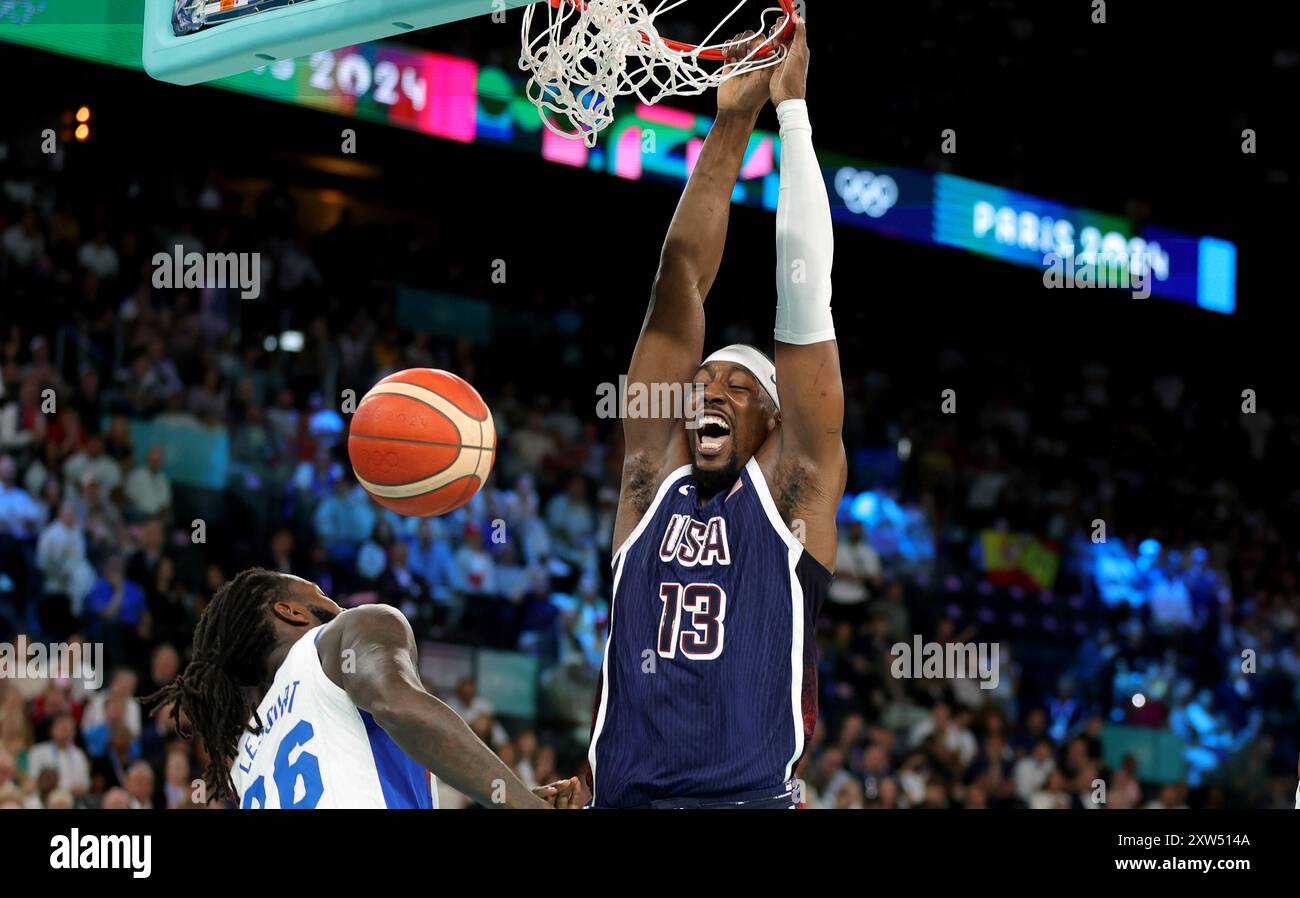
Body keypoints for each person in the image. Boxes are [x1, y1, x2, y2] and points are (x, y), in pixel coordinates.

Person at [583, 18, 845, 809]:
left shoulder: (793, 494)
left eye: (736, 387)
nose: (709, 391)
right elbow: (680, 280)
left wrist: (791, 114)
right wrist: (732, 120)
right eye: (703, 380)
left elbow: (804, 296)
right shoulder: (647, 484)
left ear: (774, 420)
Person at [148, 567, 578, 808]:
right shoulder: (347, 632)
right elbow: (398, 706)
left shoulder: (248, 759)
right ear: (291, 611)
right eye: (318, 590)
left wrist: (515, 795)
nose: (337, 604)